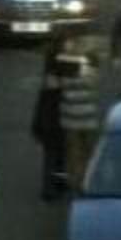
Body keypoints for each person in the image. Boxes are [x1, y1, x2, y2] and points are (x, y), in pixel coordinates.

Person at [50, 34, 102, 190]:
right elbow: (93, 84)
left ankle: (78, 182)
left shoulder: (62, 65)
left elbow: (54, 84)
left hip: (69, 116)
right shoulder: (89, 63)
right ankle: (90, 180)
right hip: (88, 115)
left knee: (74, 153)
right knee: (90, 150)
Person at [31, 57, 66, 200]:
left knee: (55, 156)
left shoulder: (47, 89)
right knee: (54, 156)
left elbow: (40, 107)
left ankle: (55, 184)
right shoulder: (54, 90)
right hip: (53, 124)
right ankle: (51, 187)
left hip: (49, 124)